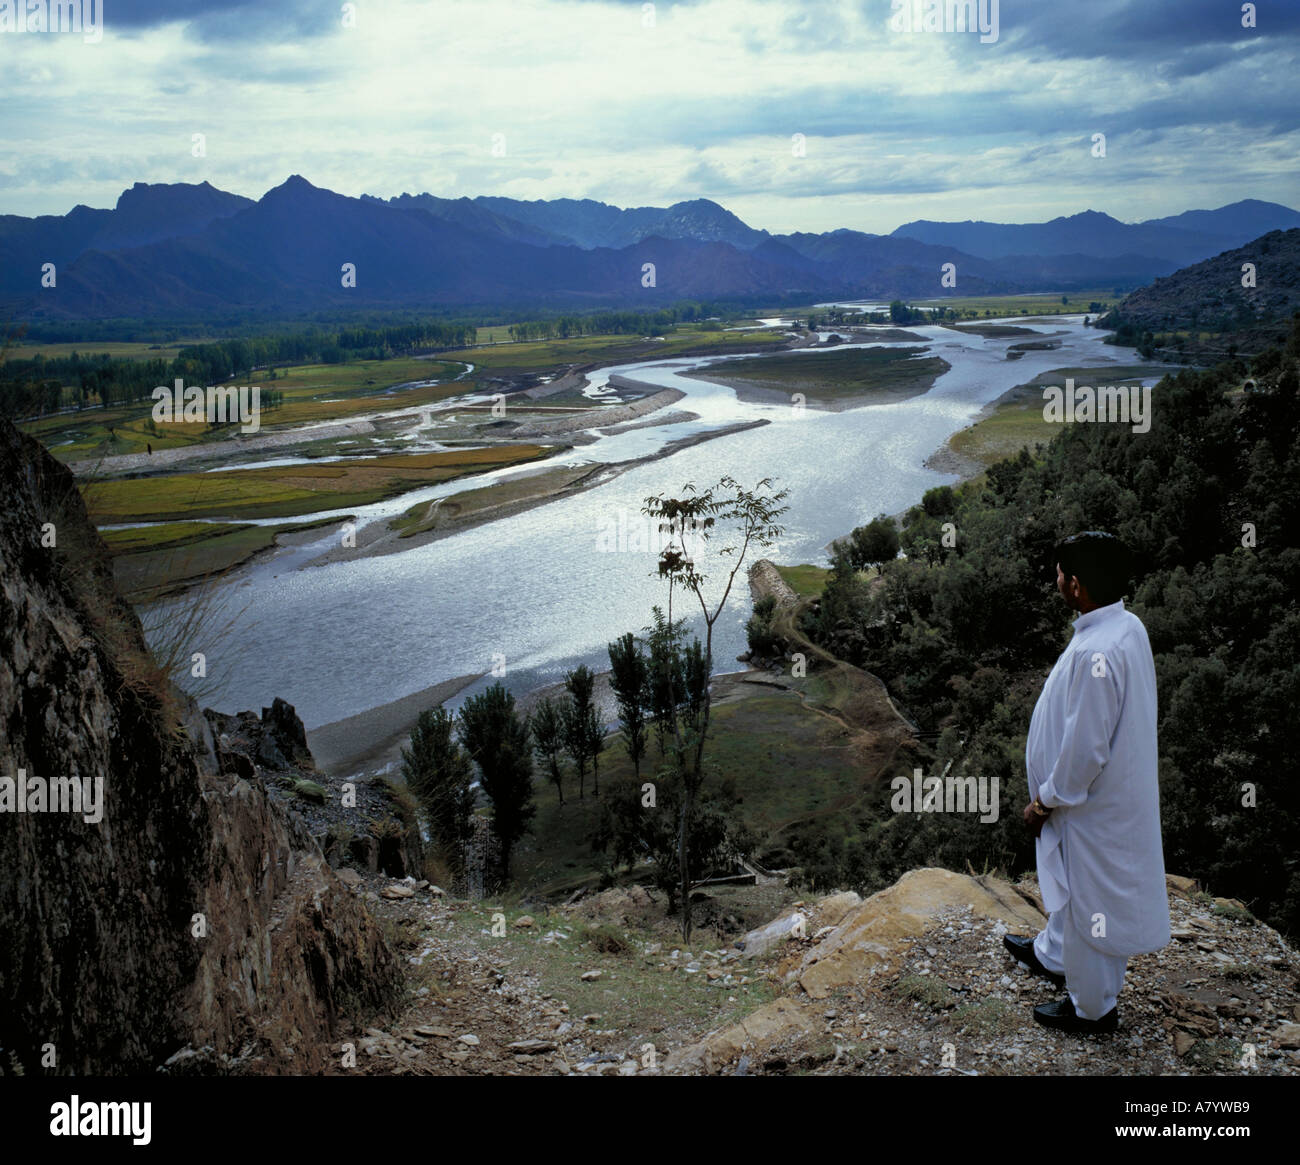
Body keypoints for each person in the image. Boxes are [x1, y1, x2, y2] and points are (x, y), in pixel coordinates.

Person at [1003, 531, 1171, 1033]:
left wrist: (1046, 800)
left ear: (1075, 585)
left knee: (1090, 896)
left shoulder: (1096, 652)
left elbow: (1085, 750)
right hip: (1110, 795)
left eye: (1058, 574)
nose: (1055, 580)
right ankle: (1054, 954)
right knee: (1075, 891)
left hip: (1092, 804)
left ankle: (1093, 1008)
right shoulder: (1125, 626)